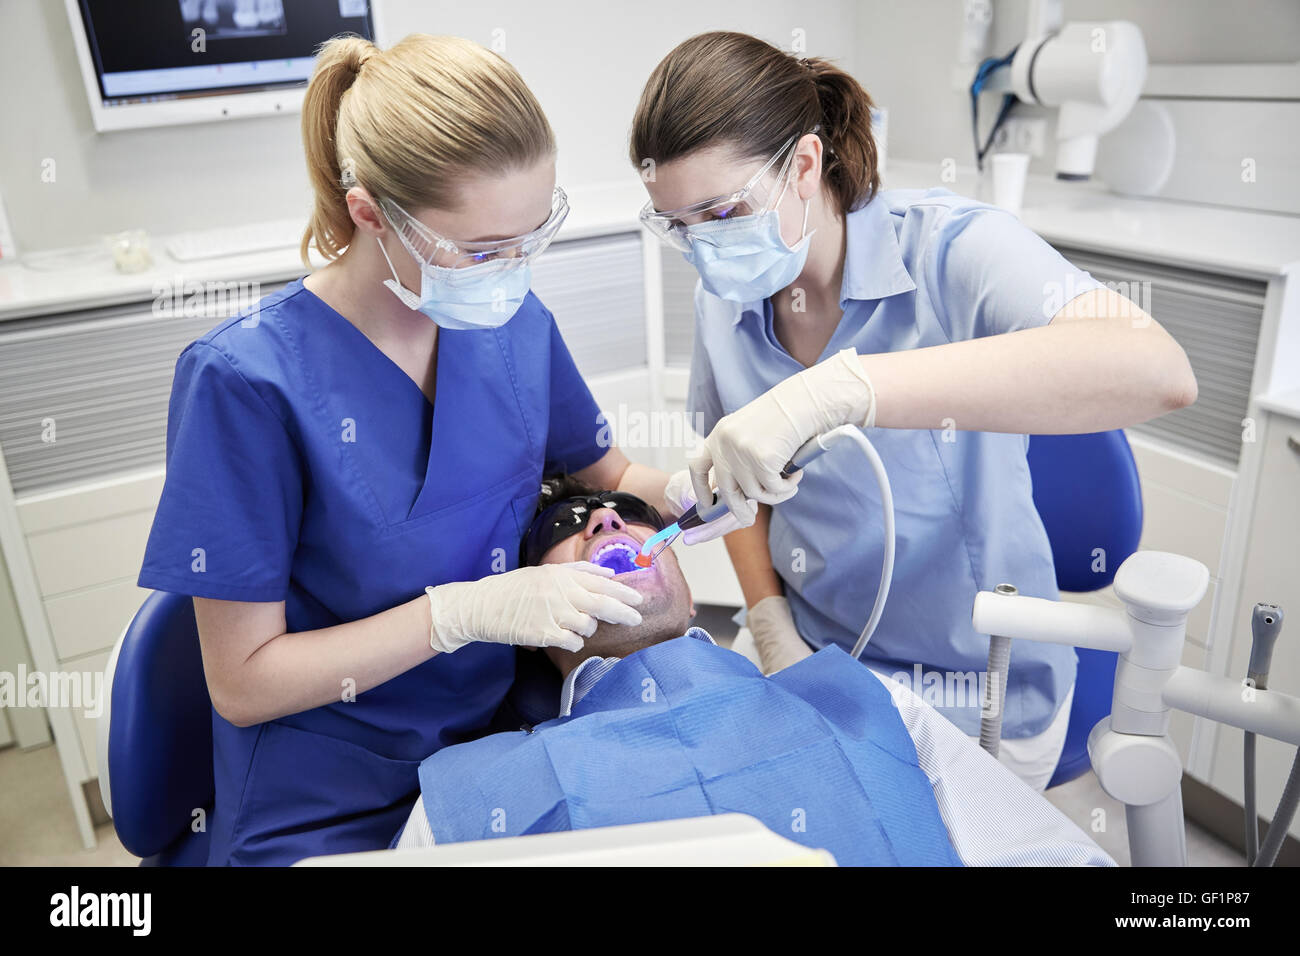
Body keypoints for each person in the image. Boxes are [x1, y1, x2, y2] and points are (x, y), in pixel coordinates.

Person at [135, 34, 729, 866]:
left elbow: (614, 476)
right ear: (370, 211)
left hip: (499, 751)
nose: (514, 271)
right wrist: (455, 616)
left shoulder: (513, 324)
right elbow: (242, 683)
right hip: (325, 799)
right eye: (483, 252)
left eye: (533, 236)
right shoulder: (245, 383)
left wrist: (704, 485)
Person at [628, 32, 1199, 789]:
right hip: (811, 649)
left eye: (723, 212)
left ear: (803, 165)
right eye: (679, 227)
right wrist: (769, 627)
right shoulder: (723, 298)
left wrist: (839, 390)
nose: (703, 250)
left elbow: (1158, 370)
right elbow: (745, 492)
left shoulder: (950, 250)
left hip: (978, 680)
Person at [390, 477, 1114, 867]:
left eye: (627, 514)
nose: (606, 524)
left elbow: (1050, 857)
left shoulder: (858, 699)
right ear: (525, 607)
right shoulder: (472, 788)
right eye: (566, 527)